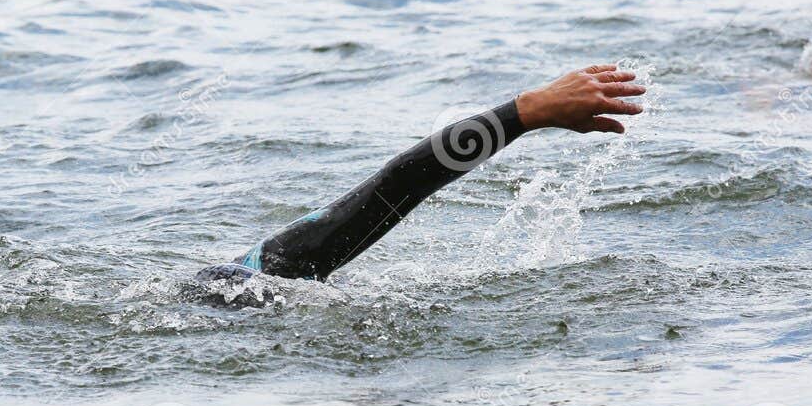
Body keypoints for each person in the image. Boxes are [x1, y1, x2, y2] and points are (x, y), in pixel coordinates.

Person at [195, 64, 645, 295]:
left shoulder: (221, 291)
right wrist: (523, 114)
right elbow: (388, 192)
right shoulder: (227, 294)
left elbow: (379, 199)